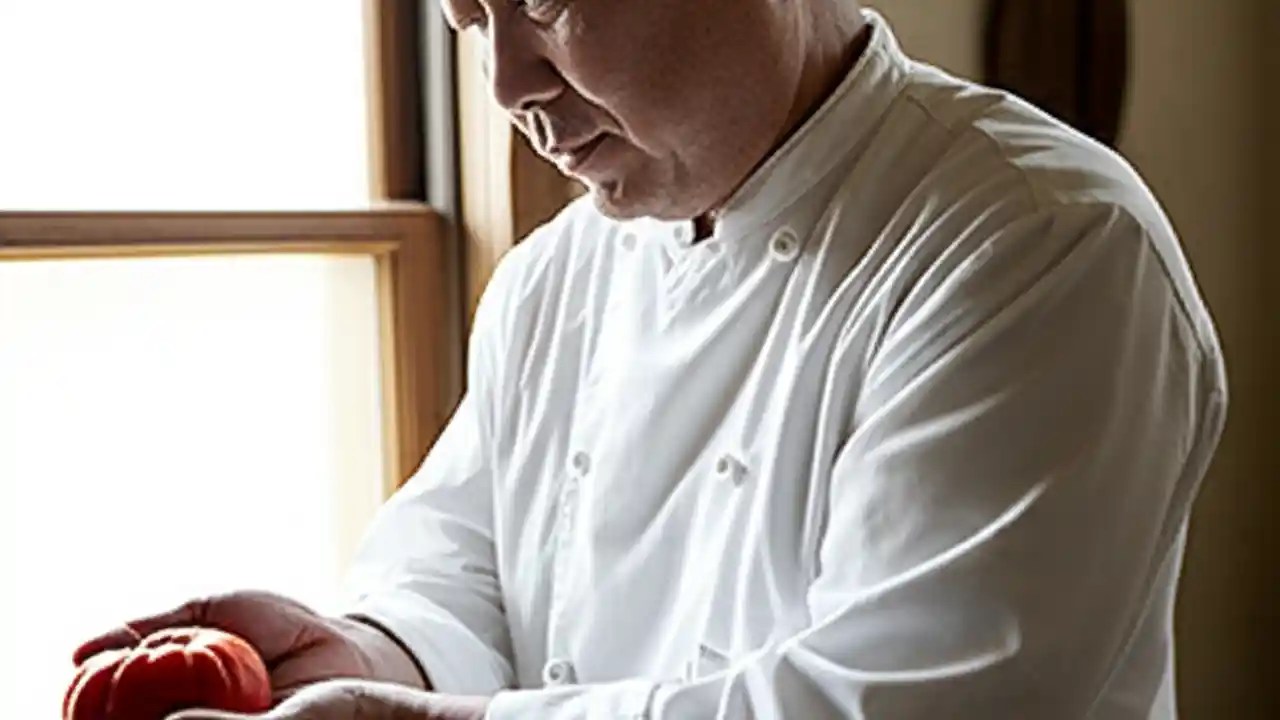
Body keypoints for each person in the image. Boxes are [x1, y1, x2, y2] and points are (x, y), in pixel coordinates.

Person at [77, 1, 1227, 718]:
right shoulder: (549, 282)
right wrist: (369, 655)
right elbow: (462, 582)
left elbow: (896, 710)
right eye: (466, 16)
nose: (506, 85)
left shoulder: (1034, 242)